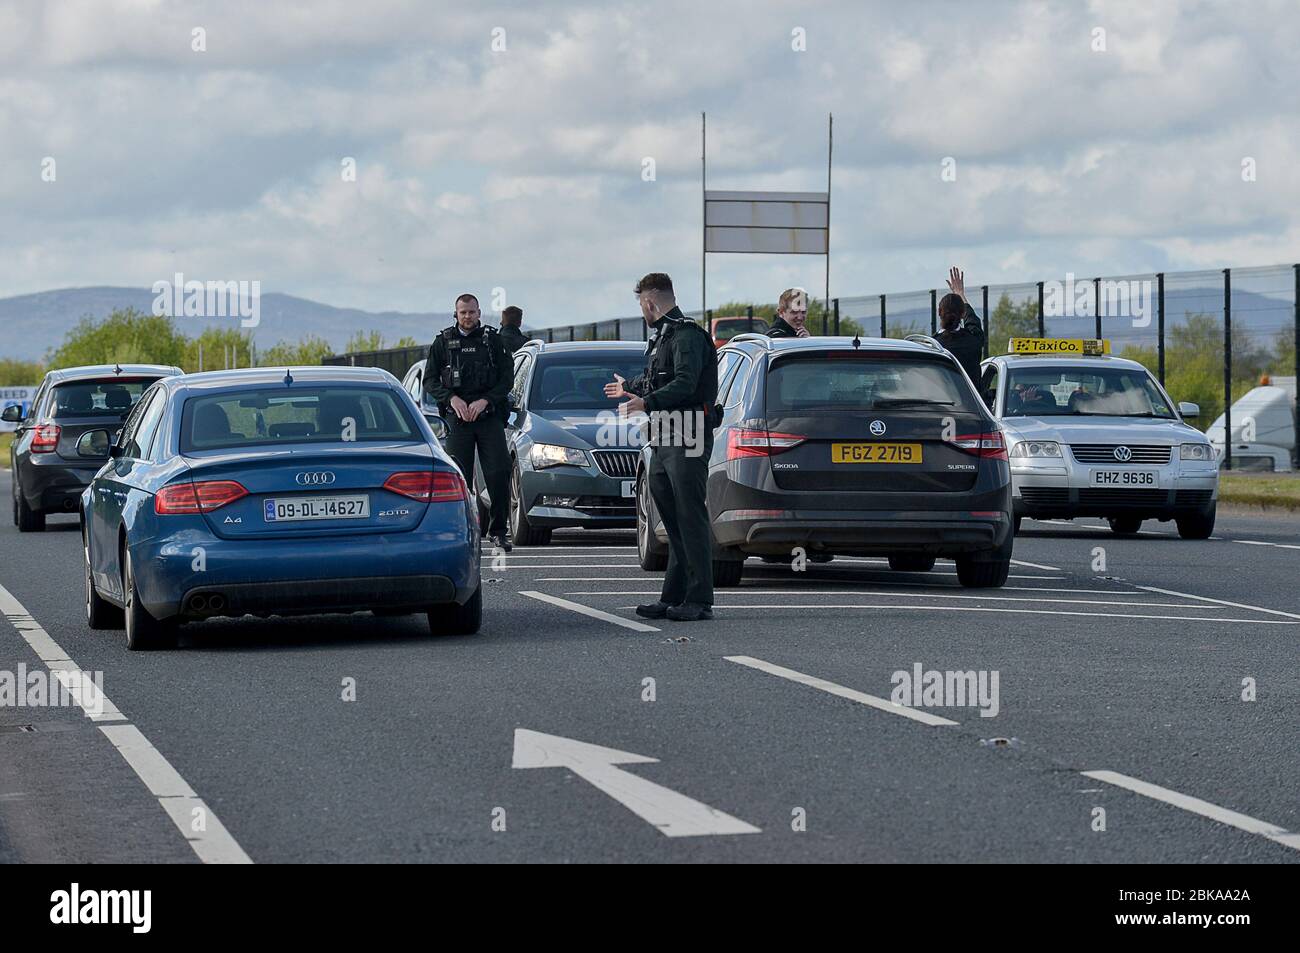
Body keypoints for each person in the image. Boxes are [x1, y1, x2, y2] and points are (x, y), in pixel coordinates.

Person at [603, 273, 719, 622]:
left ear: (650, 303)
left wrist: (645, 402)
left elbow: (685, 382)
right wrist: (631, 387)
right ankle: (673, 596)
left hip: (689, 431)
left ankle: (699, 600)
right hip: (664, 433)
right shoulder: (665, 336)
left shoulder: (687, 336)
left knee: (690, 516)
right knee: (671, 517)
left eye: (642, 304)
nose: (642, 311)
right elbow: (658, 376)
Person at [425, 292, 514, 551]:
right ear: (456, 314)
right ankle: (461, 530)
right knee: (458, 478)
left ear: (479, 313)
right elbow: (430, 380)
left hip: (488, 416)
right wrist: (452, 399)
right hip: (458, 419)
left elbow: (507, 379)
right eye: (463, 312)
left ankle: (498, 531)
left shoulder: (493, 340)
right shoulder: (442, 342)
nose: (467, 317)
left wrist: (485, 401)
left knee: (499, 472)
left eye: (472, 312)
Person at [934, 267, 985, 384]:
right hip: (972, 402)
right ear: (962, 314)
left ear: (939, 313)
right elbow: (973, 321)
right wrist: (960, 294)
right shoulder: (974, 340)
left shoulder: (932, 346)